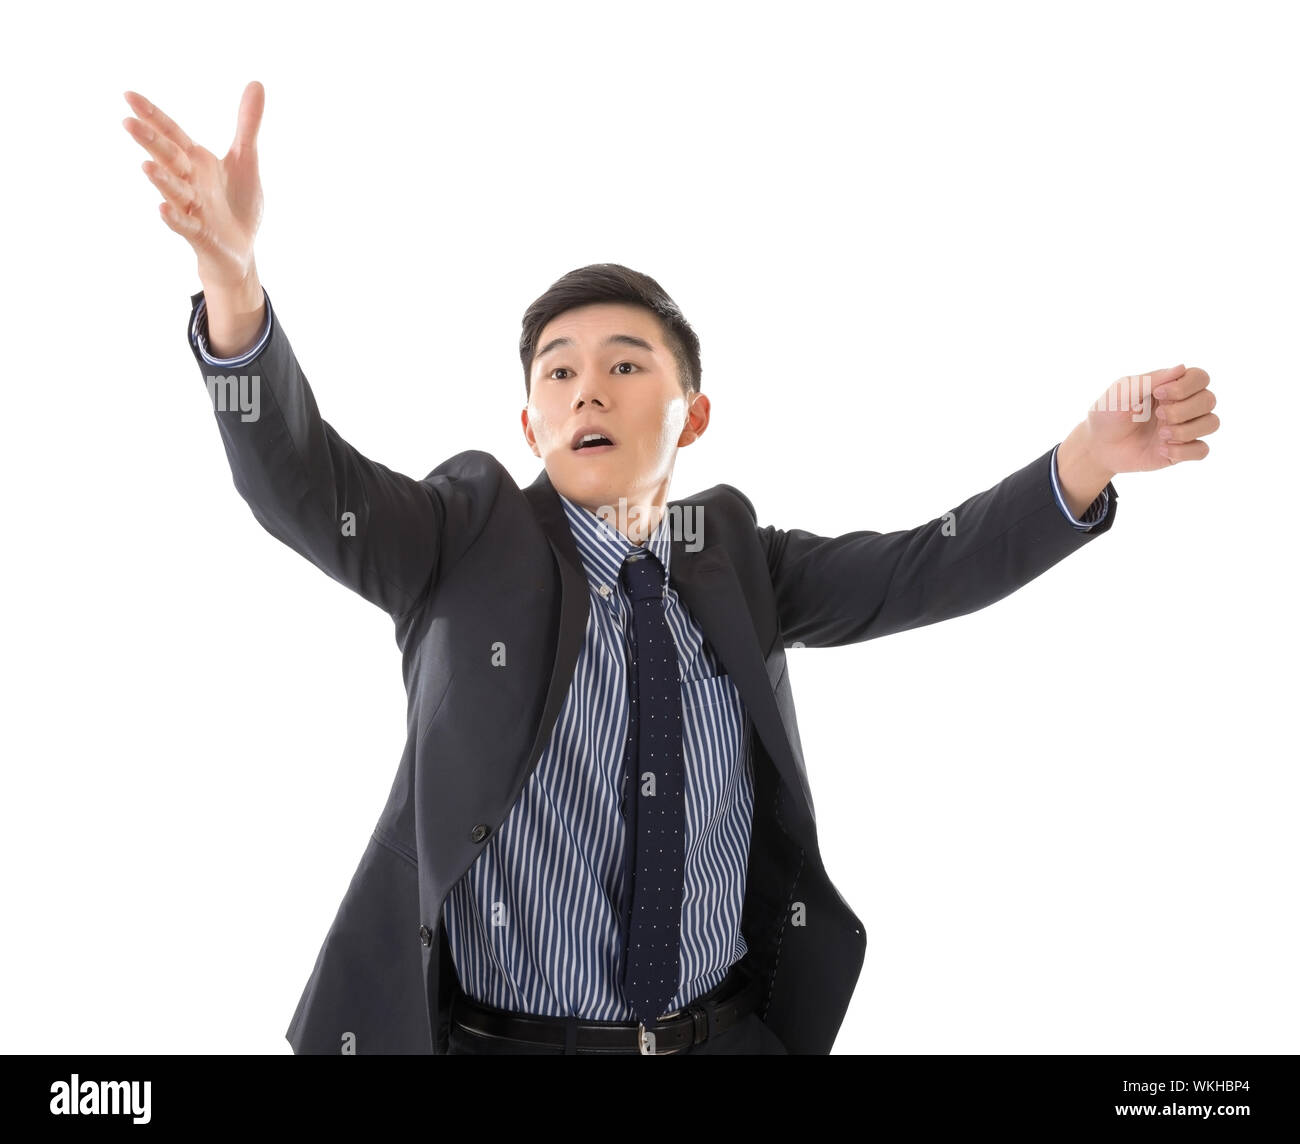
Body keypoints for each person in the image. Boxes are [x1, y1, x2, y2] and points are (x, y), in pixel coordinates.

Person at [123, 82, 1220, 1055]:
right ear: (528, 420)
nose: (586, 391)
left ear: (691, 413)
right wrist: (232, 281)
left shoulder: (729, 557)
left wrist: (1078, 464)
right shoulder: (462, 536)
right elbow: (297, 483)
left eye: (623, 363)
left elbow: (916, 570)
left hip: (726, 1031)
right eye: (558, 374)